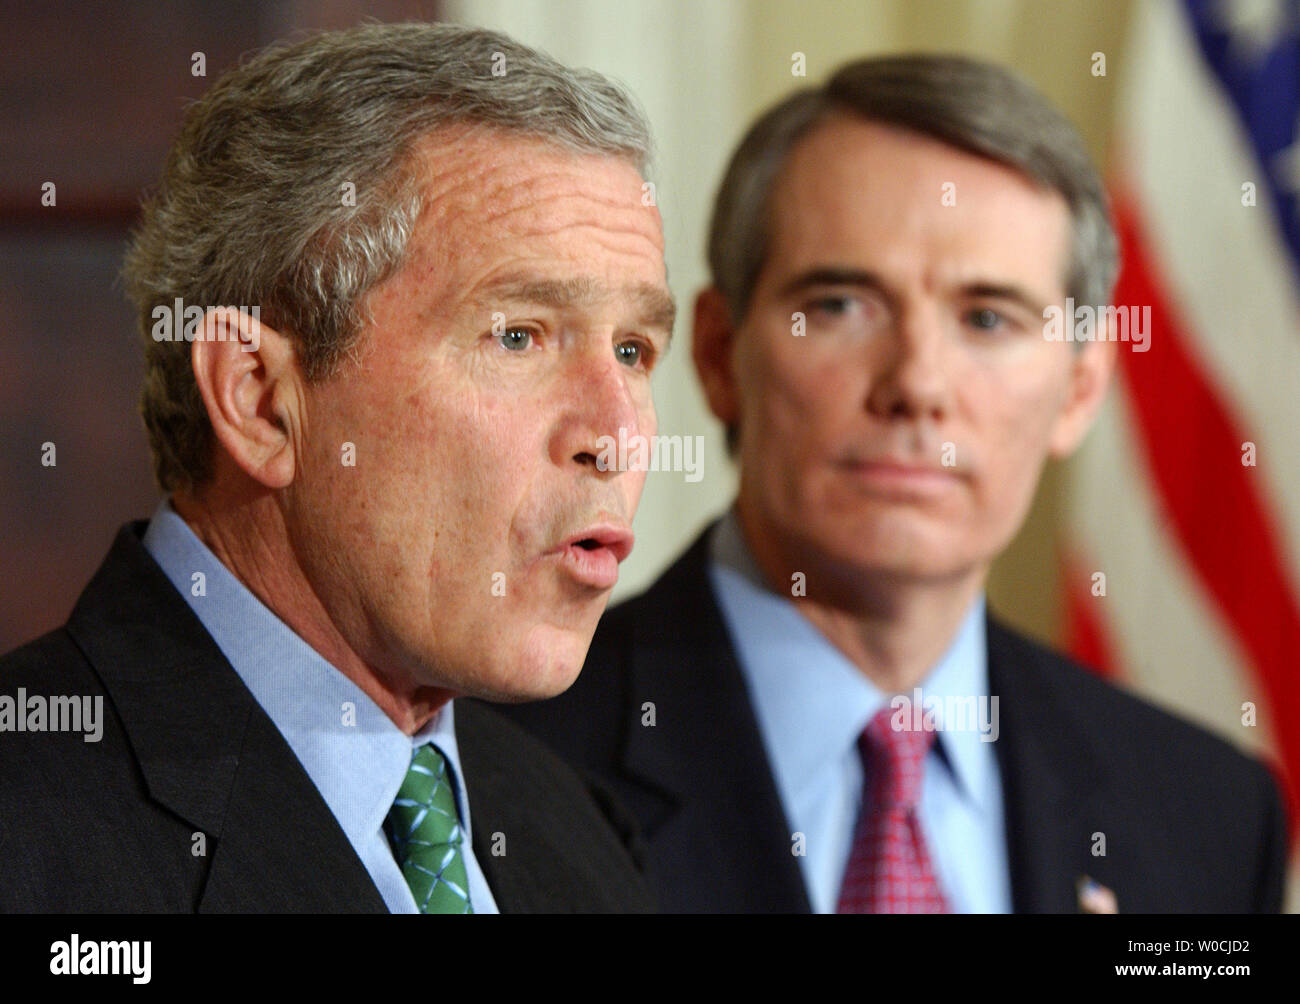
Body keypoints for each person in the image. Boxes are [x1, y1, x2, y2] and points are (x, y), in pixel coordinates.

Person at [502, 54, 1289, 913]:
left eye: (988, 318)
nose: (917, 382)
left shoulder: (1204, 813)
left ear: (1079, 391)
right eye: (842, 304)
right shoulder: (503, 764)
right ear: (721, 356)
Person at [0, 22, 675, 913]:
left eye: (632, 350)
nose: (617, 434)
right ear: (261, 400)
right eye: (518, 335)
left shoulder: (574, 827)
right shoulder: (27, 826)